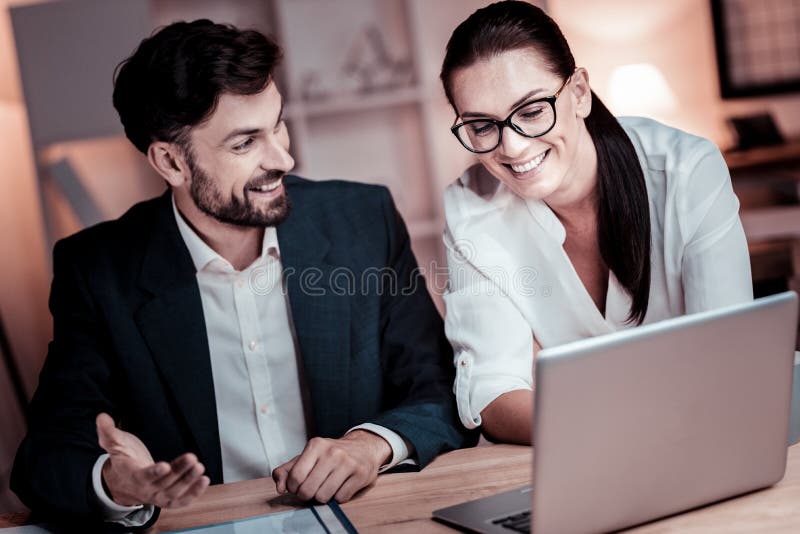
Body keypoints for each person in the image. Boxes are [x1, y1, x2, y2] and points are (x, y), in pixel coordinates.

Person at [11, 19, 473, 530]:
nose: (284, 157)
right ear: (171, 162)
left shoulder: (363, 220)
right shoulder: (98, 270)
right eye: (244, 143)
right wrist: (114, 481)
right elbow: (46, 456)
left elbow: (440, 389)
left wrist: (370, 445)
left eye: (277, 123)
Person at [439, 1, 753, 445]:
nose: (510, 146)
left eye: (531, 112)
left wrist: (567, 402)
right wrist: (622, 428)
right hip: (581, 458)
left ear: (580, 93)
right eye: (481, 126)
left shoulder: (685, 171)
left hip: (707, 441)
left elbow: (726, 359)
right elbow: (496, 398)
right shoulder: (470, 209)